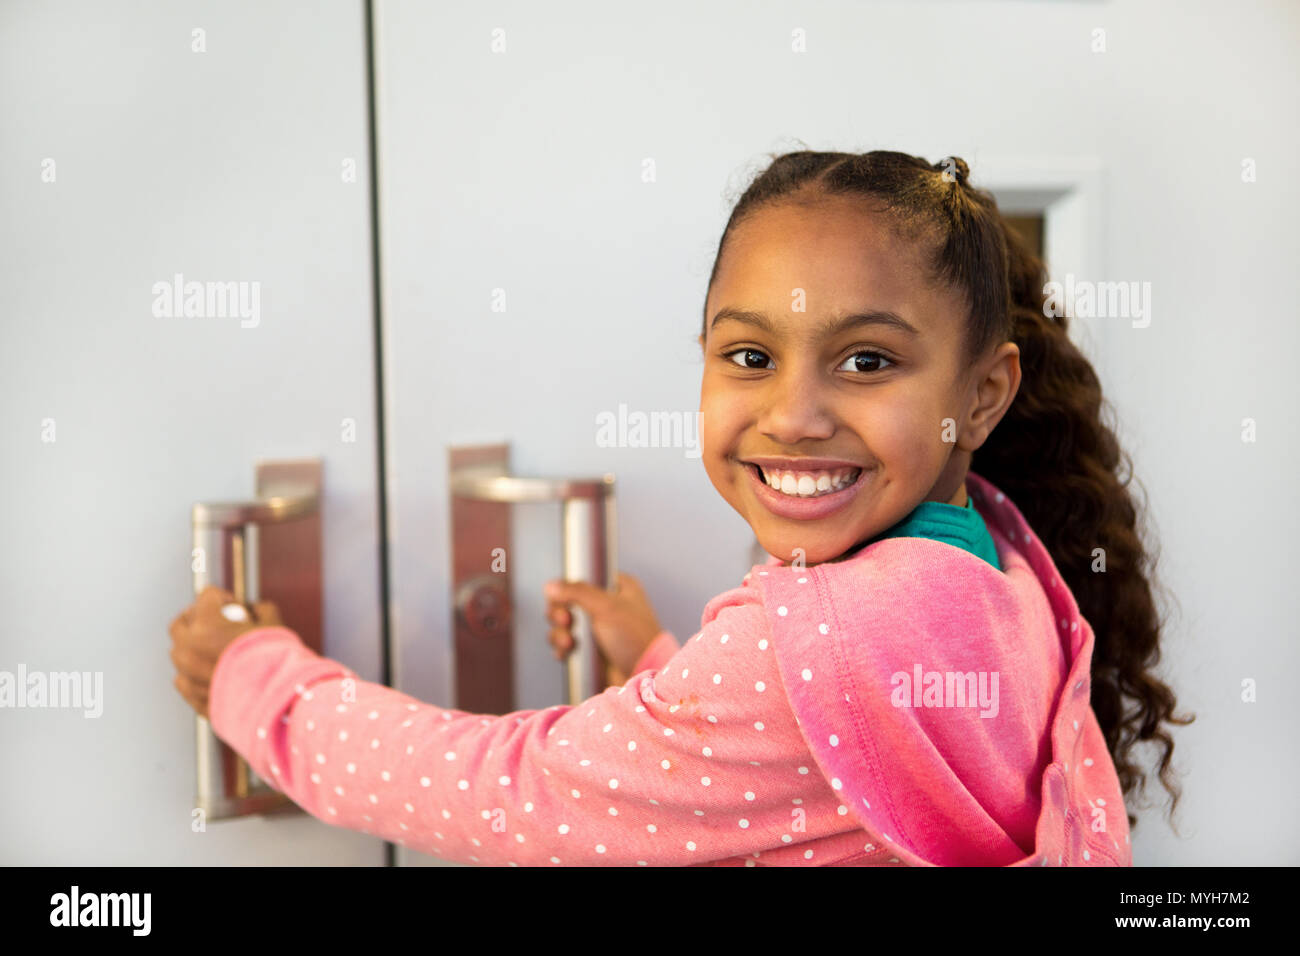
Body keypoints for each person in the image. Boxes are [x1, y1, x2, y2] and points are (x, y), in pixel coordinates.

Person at [171, 149, 1191, 865]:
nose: (793, 415)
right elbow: (832, 778)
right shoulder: (988, 563)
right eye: (749, 356)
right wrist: (662, 667)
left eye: (866, 360)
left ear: (981, 395)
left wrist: (261, 685)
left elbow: (507, 792)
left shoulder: (803, 649)